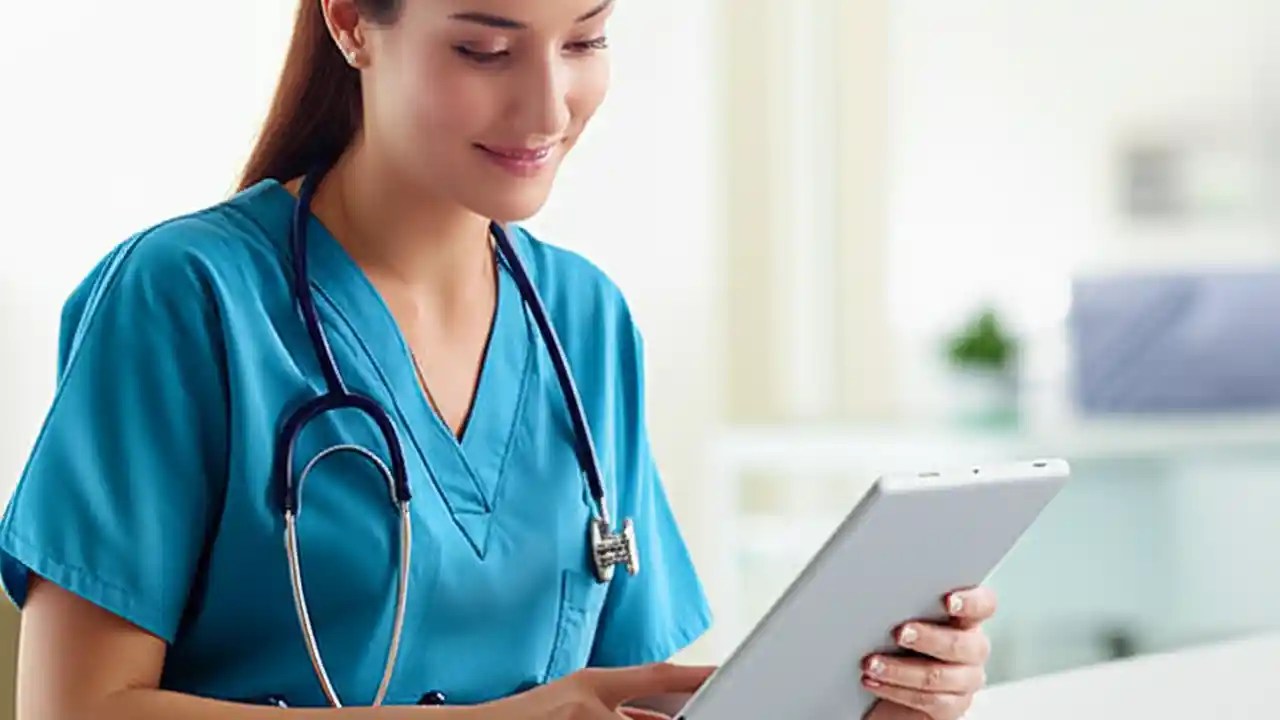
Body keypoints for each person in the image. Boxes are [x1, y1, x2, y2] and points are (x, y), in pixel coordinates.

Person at [0, 1, 997, 718]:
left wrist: (866, 693)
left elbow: (631, 693)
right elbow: (77, 709)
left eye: (585, 40)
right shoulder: (184, 296)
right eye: (484, 49)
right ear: (351, 24)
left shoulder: (583, 318)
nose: (549, 109)